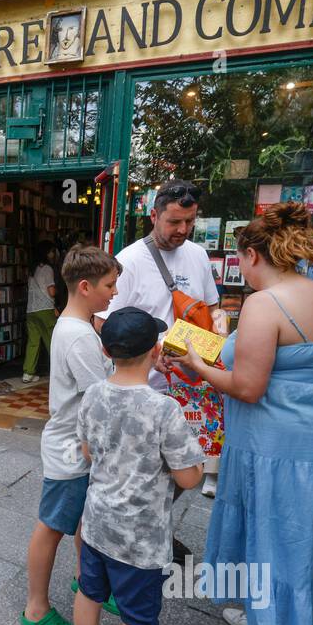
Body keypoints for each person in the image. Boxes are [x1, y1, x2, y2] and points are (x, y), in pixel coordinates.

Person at [170, 203, 313, 625]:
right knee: (311, 531)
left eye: (241, 263)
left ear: (252, 256)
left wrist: (196, 362)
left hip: (283, 446)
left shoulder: (264, 304)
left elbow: (248, 386)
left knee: (274, 535)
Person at [72, 307, 205, 625]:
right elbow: (188, 474)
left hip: (95, 524)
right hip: (140, 538)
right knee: (137, 617)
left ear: (108, 352)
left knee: (90, 592)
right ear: (154, 350)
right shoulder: (164, 409)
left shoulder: (92, 394)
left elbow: (89, 453)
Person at [20, 245, 120, 625]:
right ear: (85, 286)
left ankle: (85, 580)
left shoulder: (76, 325)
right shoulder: (79, 335)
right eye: (110, 285)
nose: (114, 293)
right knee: (51, 526)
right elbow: (101, 397)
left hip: (78, 447)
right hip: (71, 450)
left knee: (79, 520)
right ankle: (36, 610)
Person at [102, 180, 225, 507]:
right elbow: (105, 325)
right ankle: (137, 531)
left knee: (186, 469)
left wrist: (219, 326)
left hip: (192, 388)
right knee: (139, 470)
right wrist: (146, 356)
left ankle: (156, 526)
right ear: (153, 216)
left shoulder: (199, 256)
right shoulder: (128, 261)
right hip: (146, 390)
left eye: (190, 221)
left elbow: (211, 309)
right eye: (174, 222)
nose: (183, 229)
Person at [23, 240, 59, 383]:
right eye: (51, 251)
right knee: (52, 341)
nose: (52, 254)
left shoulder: (32, 269)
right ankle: (58, 373)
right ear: (46, 253)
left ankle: (28, 373)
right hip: (45, 309)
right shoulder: (47, 269)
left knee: (33, 341)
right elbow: (51, 291)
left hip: (31, 310)